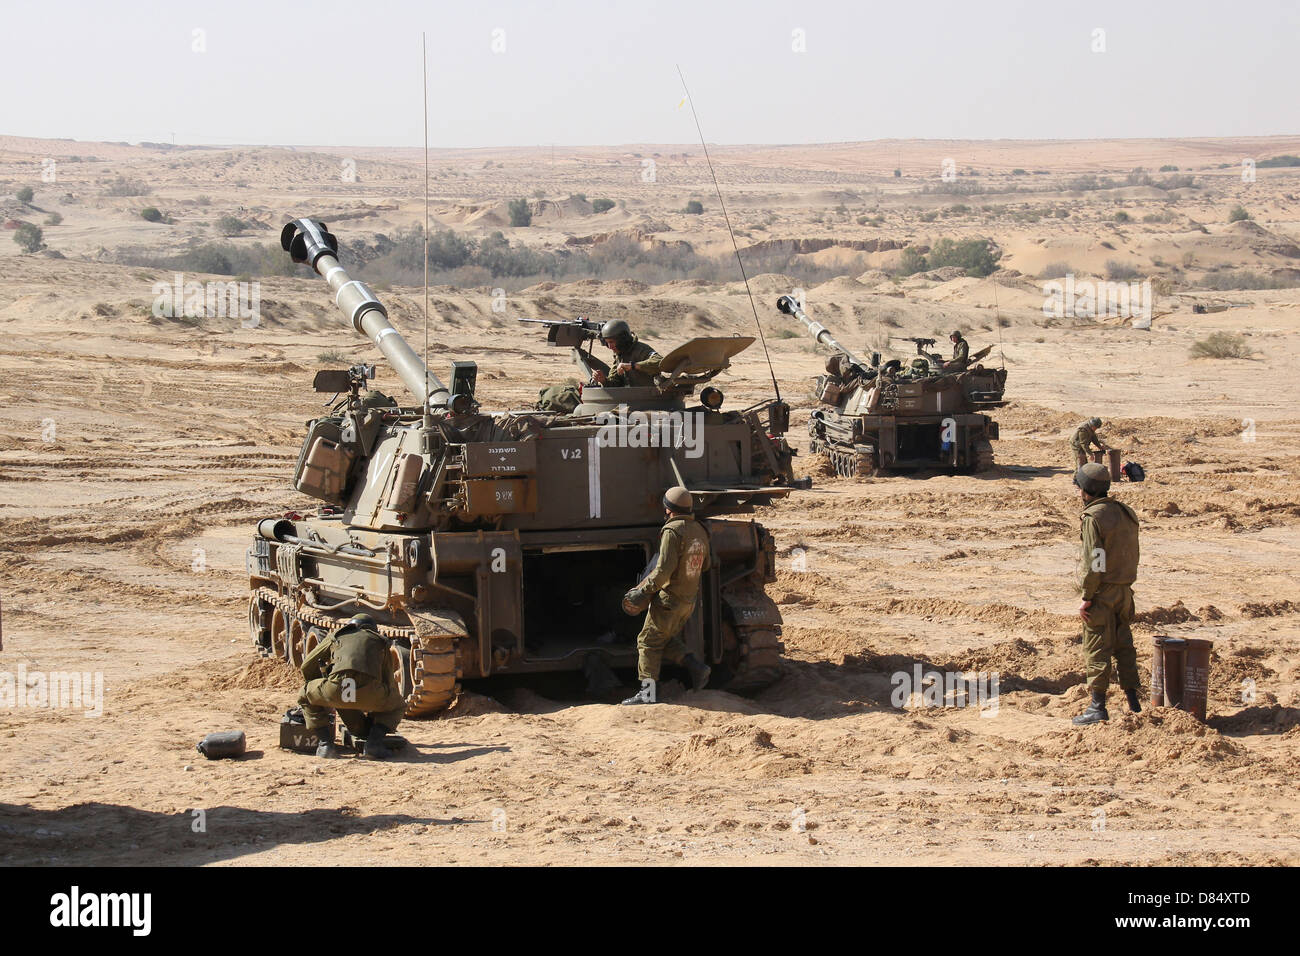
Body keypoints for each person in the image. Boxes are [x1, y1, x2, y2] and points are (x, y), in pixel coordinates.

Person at [620, 486, 713, 705]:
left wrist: (642, 591)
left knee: (647, 642)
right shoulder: (699, 529)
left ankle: (647, 694)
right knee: (664, 638)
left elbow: (663, 570)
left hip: (669, 600)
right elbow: (706, 565)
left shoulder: (673, 531)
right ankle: (697, 667)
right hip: (688, 601)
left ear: (668, 509)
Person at [1072, 462, 1142, 725]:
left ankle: (1097, 707)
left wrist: (1088, 595)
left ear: (1085, 491)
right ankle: (1134, 703)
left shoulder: (1094, 518)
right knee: (1124, 645)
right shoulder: (1125, 512)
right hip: (1125, 590)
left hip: (1103, 593)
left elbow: (1095, 560)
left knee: (1097, 647)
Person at [297, 613, 405, 759]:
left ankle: (325, 745)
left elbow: (307, 666)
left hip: (335, 689)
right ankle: (374, 743)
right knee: (398, 705)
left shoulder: (337, 636)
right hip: (371, 693)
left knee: (305, 695)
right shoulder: (380, 642)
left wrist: (322, 691)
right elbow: (388, 680)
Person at [591, 319, 662, 388]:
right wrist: (604, 380)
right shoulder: (619, 355)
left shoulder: (641, 349)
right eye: (607, 343)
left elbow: (660, 362)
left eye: (611, 342)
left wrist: (633, 366)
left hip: (651, 396)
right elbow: (615, 383)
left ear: (622, 340)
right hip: (630, 397)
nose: (609, 347)